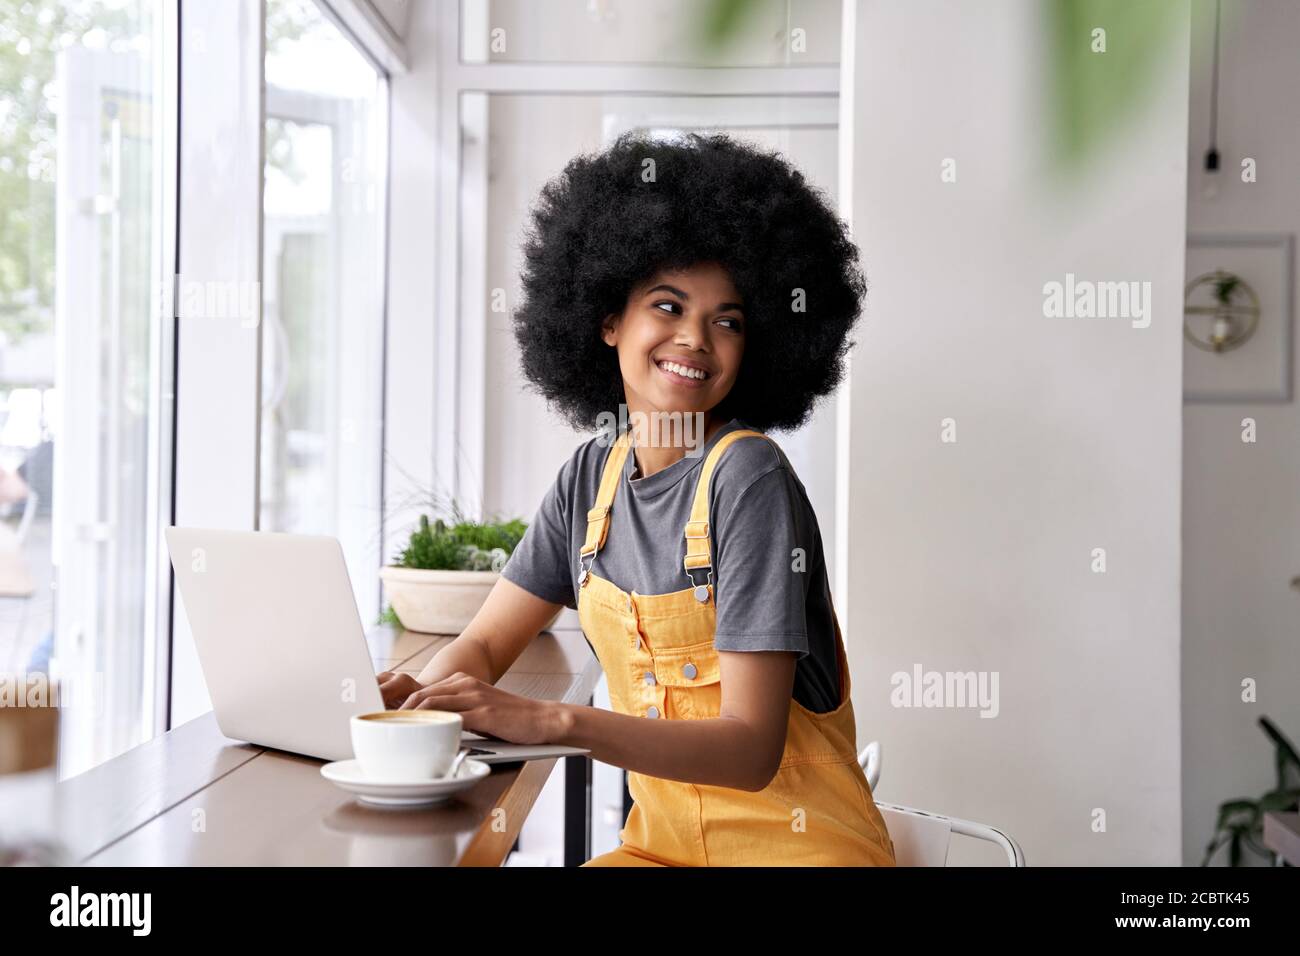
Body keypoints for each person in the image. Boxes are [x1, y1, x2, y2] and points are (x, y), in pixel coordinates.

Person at [377, 132, 895, 866]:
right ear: (609, 318)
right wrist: (416, 705)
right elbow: (488, 643)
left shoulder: (750, 481)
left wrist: (556, 721)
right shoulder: (590, 479)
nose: (695, 338)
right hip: (659, 852)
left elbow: (750, 751)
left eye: (728, 320)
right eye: (668, 306)